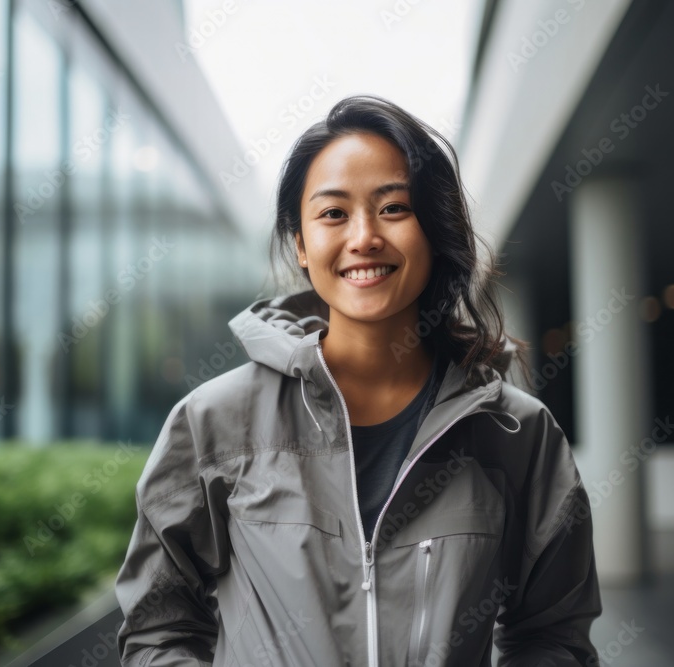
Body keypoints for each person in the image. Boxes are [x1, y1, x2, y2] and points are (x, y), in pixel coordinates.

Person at [115, 94, 602, 666]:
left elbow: (553, 635)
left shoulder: (517, 433)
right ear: (300, 243)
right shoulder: (214, 423)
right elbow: (158, 631)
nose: (364, 236)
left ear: (434, 228)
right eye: (333, 213)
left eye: (394, 207)